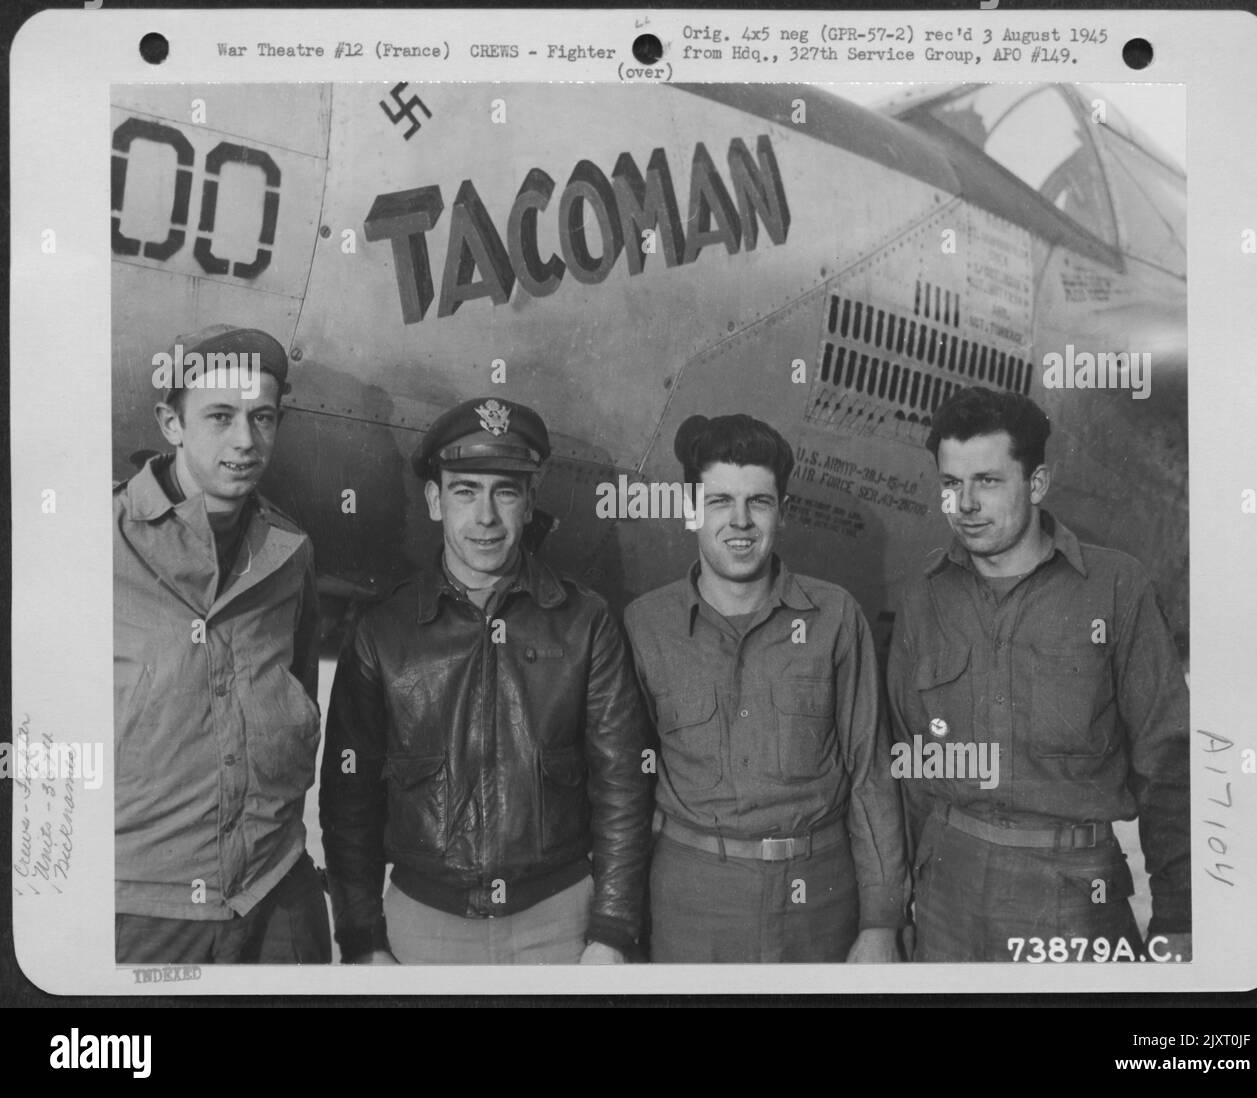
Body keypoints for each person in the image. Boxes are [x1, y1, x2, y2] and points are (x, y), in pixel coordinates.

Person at [321, 397, 654, 964]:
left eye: (505, 490)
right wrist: (361, 939)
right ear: (434, 500)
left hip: (558, 921)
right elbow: (350, 800)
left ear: (530, 502)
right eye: (465, 490)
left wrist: (613, 932)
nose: (485, 518)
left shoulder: (586, 622)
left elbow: (623, 786)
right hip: (425, 925)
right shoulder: (382, 631)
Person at [887, 386, 1190, 963]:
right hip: (947, 893)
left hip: (1074, 897)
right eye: (952, 484)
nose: (966, 504)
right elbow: (909, 767)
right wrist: (902, 905)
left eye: (989, 481)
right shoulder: (923, 595)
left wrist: (1179, 916)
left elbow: (1169, 764)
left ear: (1038, 484)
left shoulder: (1116, 587)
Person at [622, 414, 907, 963]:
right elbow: (623, 791)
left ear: (784, 512)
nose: (740, 522)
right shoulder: (645, 626)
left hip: (820, 900)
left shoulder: (835, 618)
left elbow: (871, 776)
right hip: (692, 901)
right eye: (720, 501)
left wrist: (880, 923)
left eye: (760, 502)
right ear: (691, 511)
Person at [114, 324, 329, 964]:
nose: (245, 440)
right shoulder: (98, 542)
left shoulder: (290, 551)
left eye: (263, 417)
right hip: (146, 903)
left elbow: (299, 690)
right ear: (170, 424)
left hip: (276, 887)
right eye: (220, 416)